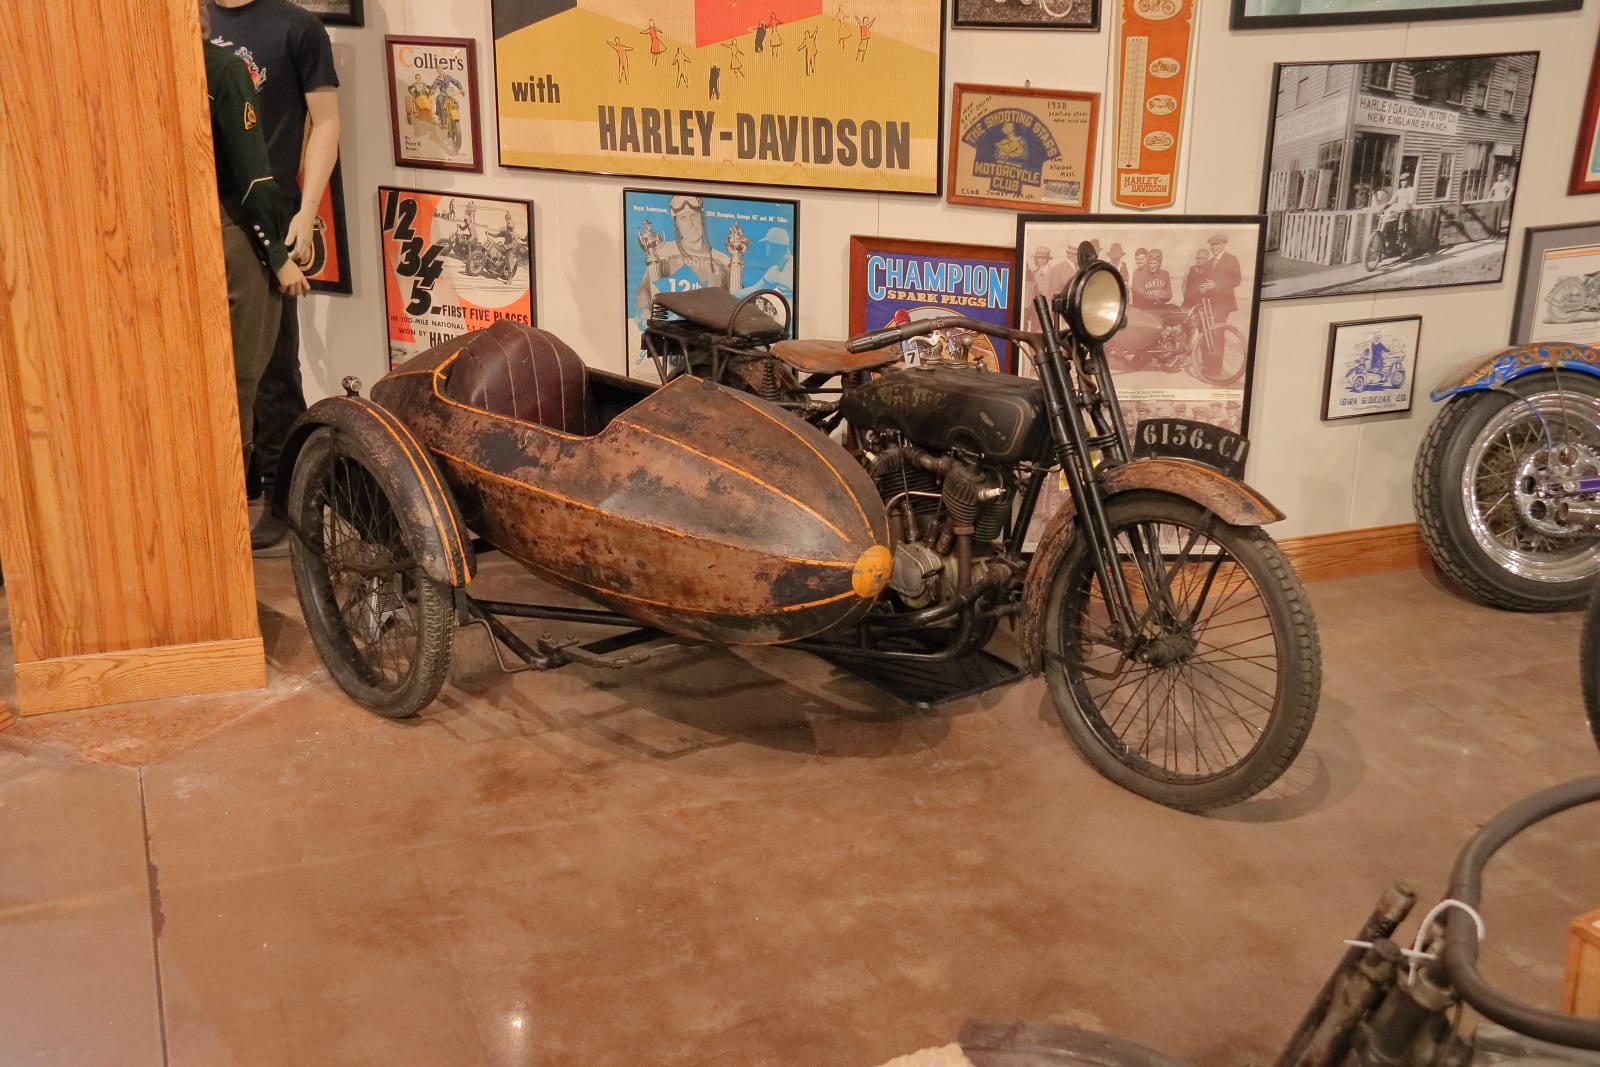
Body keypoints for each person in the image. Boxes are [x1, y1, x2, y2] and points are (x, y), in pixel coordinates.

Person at [211, 0, 340, 552]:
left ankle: (286, 503)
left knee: (271, 368)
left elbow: (326, 122)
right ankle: (232, 489)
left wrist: (306, 212)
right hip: (204, 212)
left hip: (270, 211)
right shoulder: (191, 19)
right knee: (214, 366)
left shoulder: (298, 27)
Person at [202, 1, 308, 484]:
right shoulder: (222, 67)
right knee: (241, 382)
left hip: (174, 236)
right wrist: (278, 256)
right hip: (232, 233)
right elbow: (252, 179)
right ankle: (229, 507)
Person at [634, 195, 746, 326]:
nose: (690, 224)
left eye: (693, 215)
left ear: (702, 217)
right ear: (677, 223)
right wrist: (647, 312)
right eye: (683, 218)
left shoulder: (722, 259)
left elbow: (737, 300)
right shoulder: (664, 254)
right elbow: (644, 291)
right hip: (672, 334)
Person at [1201, 233, 1242, 326]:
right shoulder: (1208, 263)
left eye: (1216, 244)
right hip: (1209, 304)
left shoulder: (1231, 259)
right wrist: (1202, 288)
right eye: (1212, 245)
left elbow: (1236, 280)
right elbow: (1205, 282)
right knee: (1208, 332)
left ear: (1224, 245)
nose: (1213, 248)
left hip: (1224, 303)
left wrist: (1216, 285)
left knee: (1218, 331)